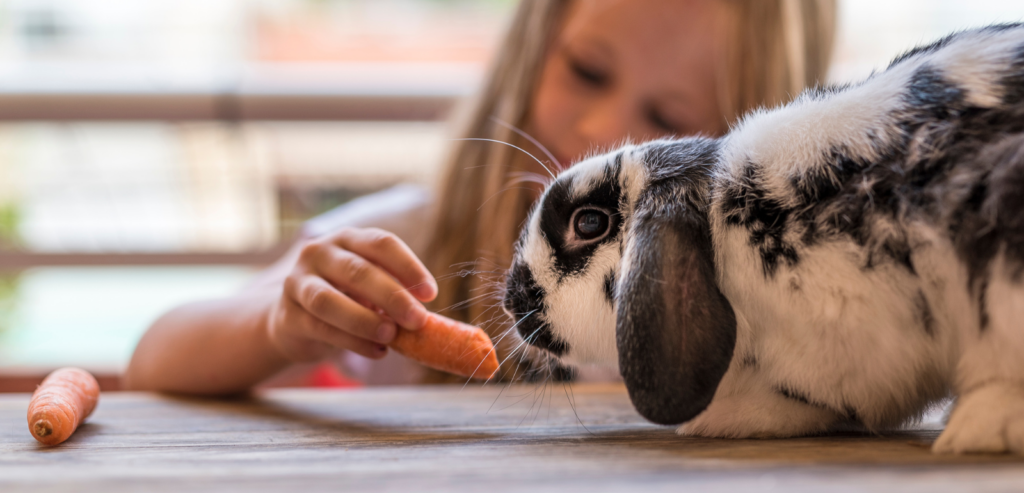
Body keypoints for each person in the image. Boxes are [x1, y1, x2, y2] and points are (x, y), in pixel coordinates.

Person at [125, 0, 837, 394]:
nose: (596, 135)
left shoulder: (769, 314)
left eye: (664, 119)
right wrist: (281, 324)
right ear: (534, 46)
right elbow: (155, 358)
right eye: (587, 72)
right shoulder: (420, 239)